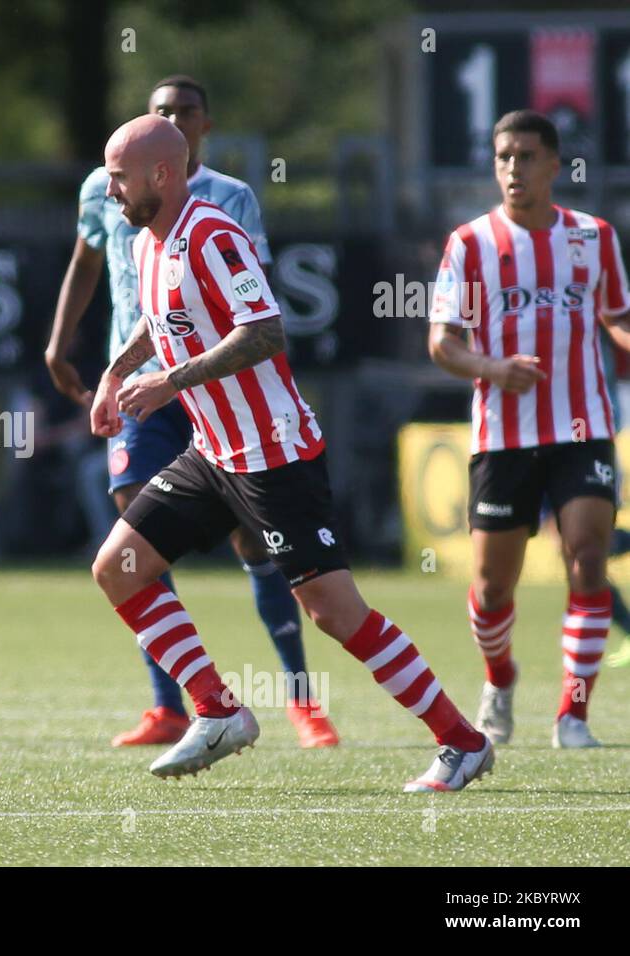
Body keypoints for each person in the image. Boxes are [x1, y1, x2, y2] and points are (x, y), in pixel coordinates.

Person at [89, 115, 491, 792]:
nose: (111, 190)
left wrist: (170, 383)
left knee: (337, 614)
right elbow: (162, 326)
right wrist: (115, 373)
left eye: (119, 176)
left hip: (274, 453)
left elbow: (266, 330)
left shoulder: (214, 235)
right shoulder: (146, 245)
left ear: (162, 173)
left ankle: (463, 740)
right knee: (119, 568)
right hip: (213, 453)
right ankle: (218, 709)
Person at [46, 75, 338, 749]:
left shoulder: (229, 201)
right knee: (132, 525)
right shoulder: (106, 188)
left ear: (199, 129)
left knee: (256, 545)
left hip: (217, 390)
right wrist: (65, 344)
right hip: (144, 387)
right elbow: (86, 260)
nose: (171, 116)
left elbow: (254, 309)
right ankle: (175, 704)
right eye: (159, 109)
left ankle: (299, 697)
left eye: (183, 111)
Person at [428, 109, 630, 748]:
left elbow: (617, 316)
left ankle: (573, 714)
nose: (512, 169)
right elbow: (443, 342)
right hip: (502, 434)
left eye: (525, 156)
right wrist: (492, 367)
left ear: (554, 164)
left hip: (584, 425)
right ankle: (500, 678)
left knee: (589, 558)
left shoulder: (594, 237)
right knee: (491, 588)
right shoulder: (470, 244)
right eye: (503, 157)